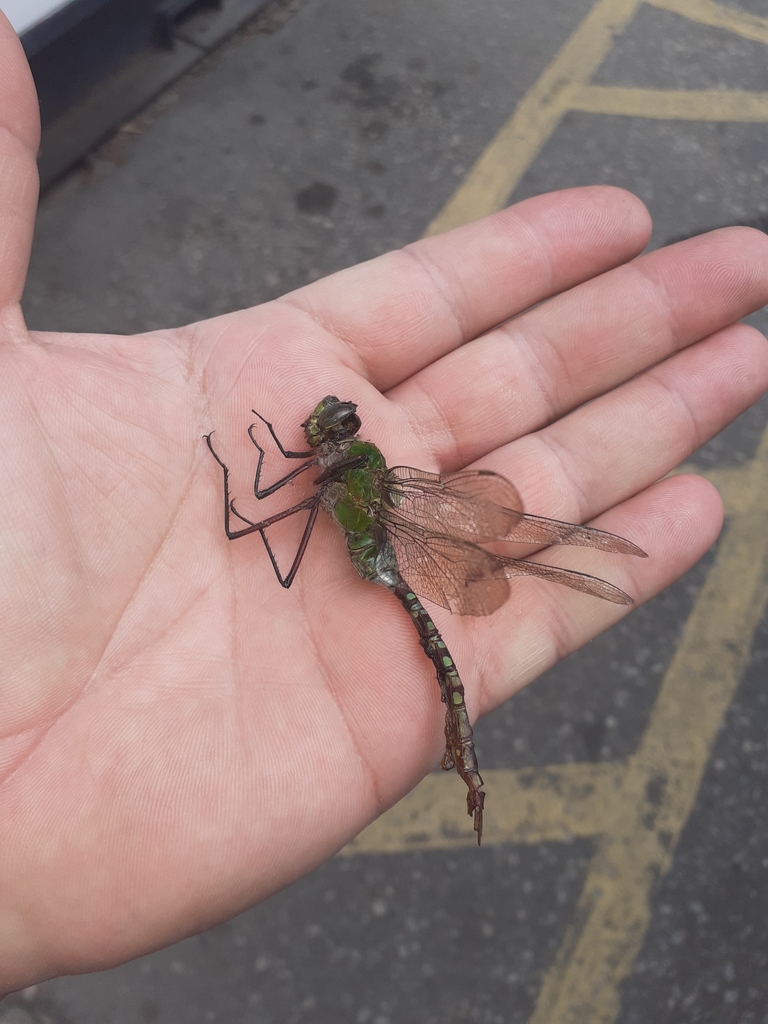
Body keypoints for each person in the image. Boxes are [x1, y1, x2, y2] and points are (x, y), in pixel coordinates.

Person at [1, 10, 767, 992]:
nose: (329, 433)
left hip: (381, 564)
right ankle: (463, 757)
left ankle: (462, 751)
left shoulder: (337, 484)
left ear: (337, 451)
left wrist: (235, 465)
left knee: (270, 534)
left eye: (331, 433)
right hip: (381, 546)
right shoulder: (363, 476)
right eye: (332, 430)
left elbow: (253, 526)